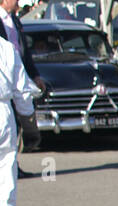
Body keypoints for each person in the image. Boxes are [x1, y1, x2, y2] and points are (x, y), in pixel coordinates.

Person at [1, 28, 36, 206]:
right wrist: (30, 123)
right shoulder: (6, 47)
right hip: (4, 115)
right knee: (6, 181)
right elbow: (22, 91)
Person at [1, 0, 43, 179]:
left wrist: (34, 75)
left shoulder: (15, 21)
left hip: (14, 76)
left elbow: (25, 52)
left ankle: (15, 165)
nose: (17, 1)